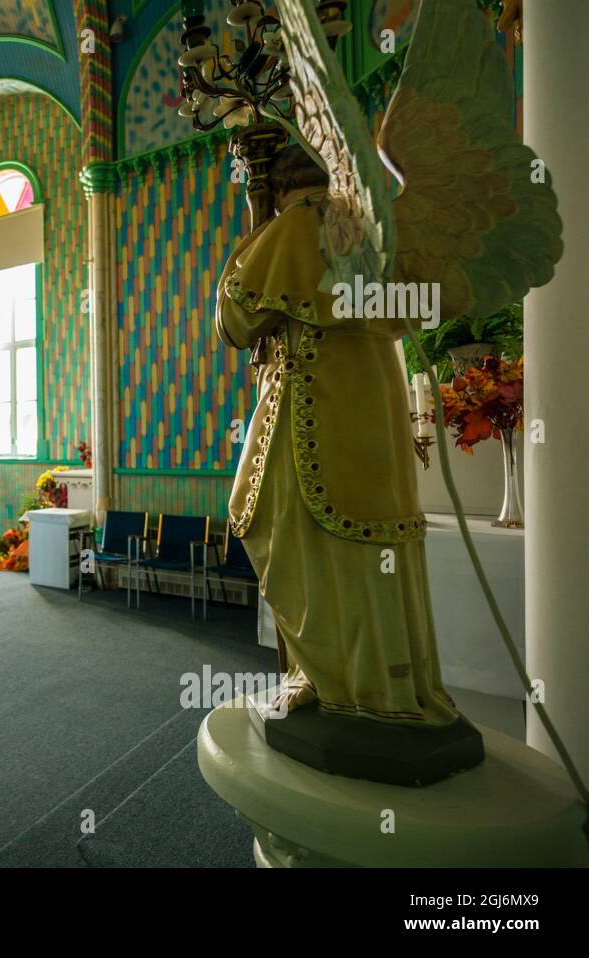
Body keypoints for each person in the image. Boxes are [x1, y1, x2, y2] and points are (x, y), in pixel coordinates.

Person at [214, 144, 456, 727]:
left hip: (314, 410)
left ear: (280, 185)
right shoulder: (369, 234)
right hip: (372, 415)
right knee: (368, 545)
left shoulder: (299, 224)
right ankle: (383, 688)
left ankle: (330, 681)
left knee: (288, 531)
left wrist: (255, 227)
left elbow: (236, 319)